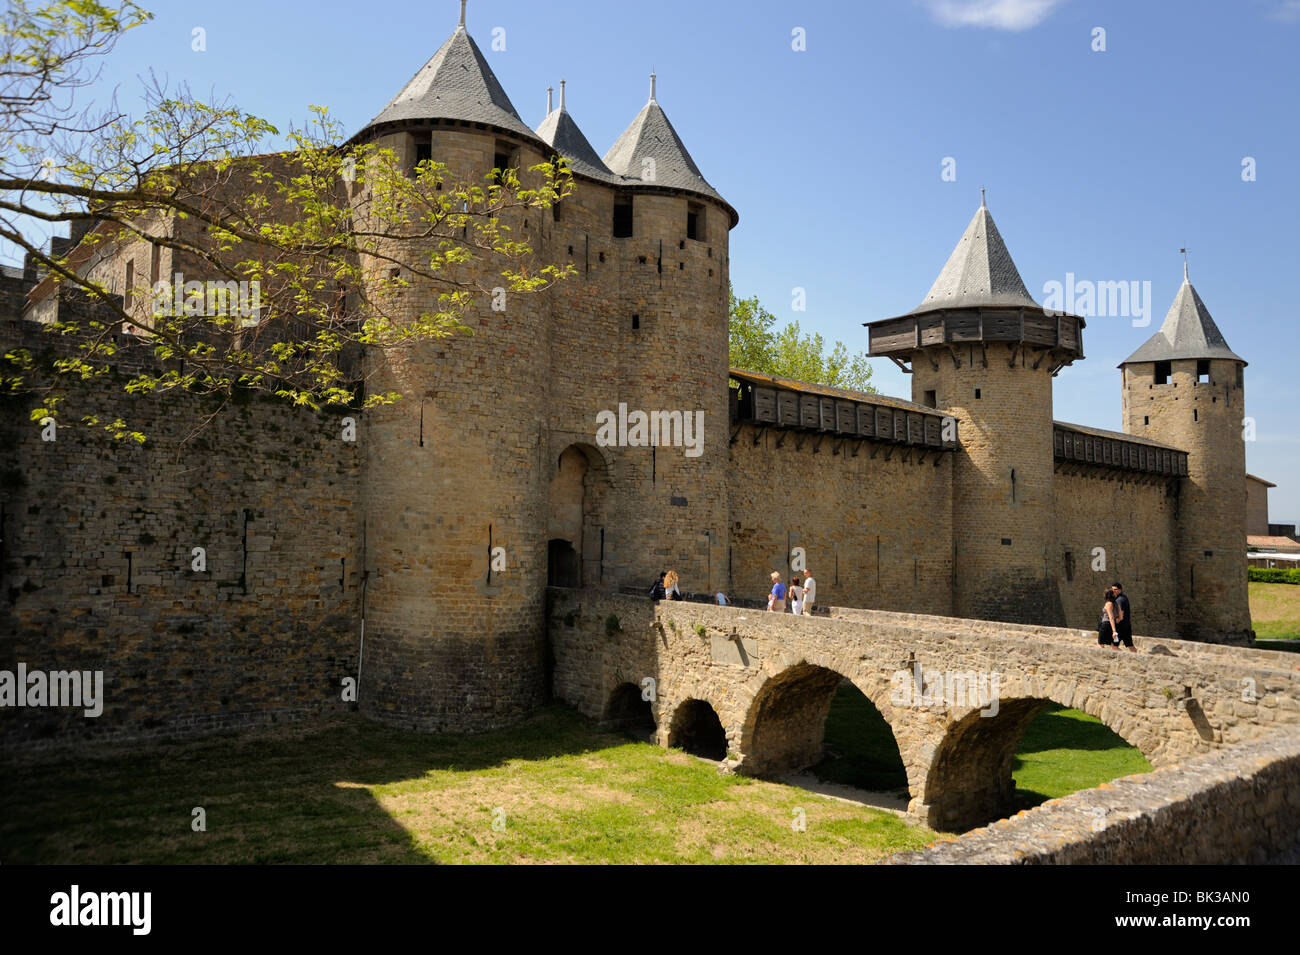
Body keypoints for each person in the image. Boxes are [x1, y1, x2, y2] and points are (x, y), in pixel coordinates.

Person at [1111, 583, 1136, 652]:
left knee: (1113, 645)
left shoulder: (1119, 600)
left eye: (1115, 589)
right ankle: (1135, 655)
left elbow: (1120, 614)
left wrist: (1115, 624)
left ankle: (1123, 655)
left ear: (1120, 590)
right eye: (1112, 589)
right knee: (1130, 645)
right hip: (1126, 625)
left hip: (1121, 626)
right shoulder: (1124, 597)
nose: (1113, 591)